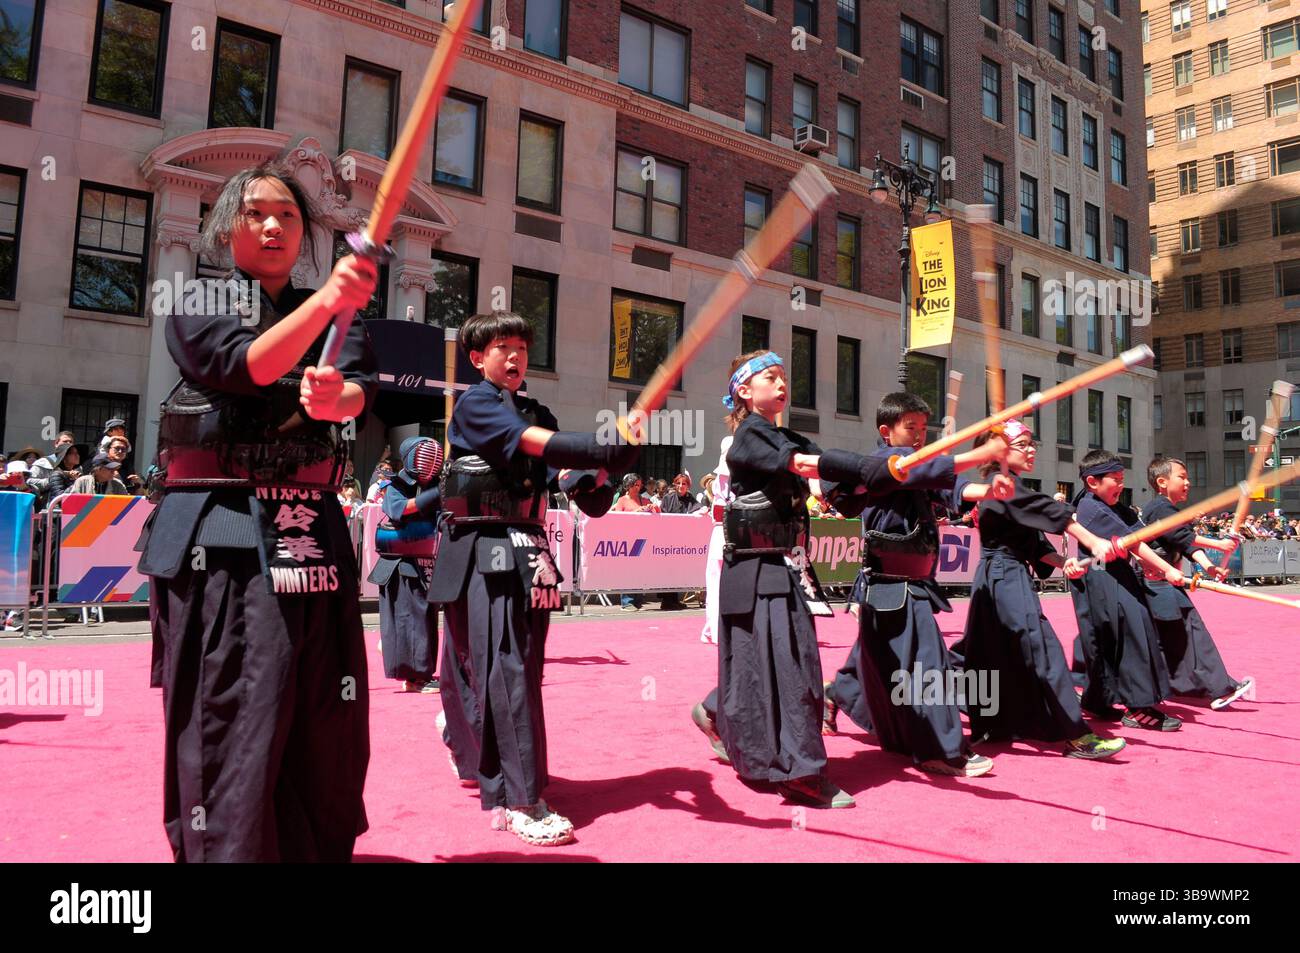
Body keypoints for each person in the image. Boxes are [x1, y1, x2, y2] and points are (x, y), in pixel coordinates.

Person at [135, 163, 379, 861]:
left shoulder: (337, 312)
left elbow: (360, 386)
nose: (273, 226)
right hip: (225, 530)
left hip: (312, 534)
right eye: (256, 213)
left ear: (305, 232)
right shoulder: (197, 298)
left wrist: (342, 399)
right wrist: (329, 301)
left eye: (289, 216)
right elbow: (250, 367)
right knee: (235, 705)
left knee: (323, 712)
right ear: (226, 227)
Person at [427, 310, 634, 847]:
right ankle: (520, 798)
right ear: (478, 358)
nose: (515, 356)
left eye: (522, 345)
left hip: (528, 552)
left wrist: (606, 466)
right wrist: (599, 444)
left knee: (515, 667)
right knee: (501, 666)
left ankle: (467, 735)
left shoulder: (537, 411)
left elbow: (577, 486)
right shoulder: (475, 405)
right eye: (503, 347)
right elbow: (531, 444)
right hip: (481, 550)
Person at [815, 392, 1014, 777]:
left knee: (883, 666)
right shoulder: (876, 466)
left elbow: (952, 489)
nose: (921, 435)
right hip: (887, 583)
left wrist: (990, 490)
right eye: (912, 428)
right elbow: (926, 472)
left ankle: (854, 705)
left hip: (915, 584)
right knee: (927, 667)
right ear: (886, 432)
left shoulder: (919, 469)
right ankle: (941, 748)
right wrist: (984, 451)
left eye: (925, 429)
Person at [960, 423, 1127, 759]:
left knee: (986, 653)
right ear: (999, 451)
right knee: (1041, 648)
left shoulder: (1010, 487)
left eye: (1031, 442)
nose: (1032, 449)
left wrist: (1064, 560)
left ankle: (993, 723)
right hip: (1003, 576)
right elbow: (1045, 509)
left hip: (999, 575)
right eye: (1022, 444)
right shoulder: (999, 485)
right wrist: (1091, 539)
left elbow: (1033, 544)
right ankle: (1074, 733)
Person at [1069, 450, 1186, 732]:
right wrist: (1167, 570)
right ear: (1092, 482)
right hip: (1100, 580)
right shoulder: (1090, 507)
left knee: (1111, 638)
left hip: (1118, 576)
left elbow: (1141, 535)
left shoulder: (1116, 506)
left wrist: (1159, 565)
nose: (1121, 485)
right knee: (1129, 632)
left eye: (1122, 479)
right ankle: (1137, 706)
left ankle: (1097, 699)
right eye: (1115, 479)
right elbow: (1134, 544)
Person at [1141, 457, 1254, 710]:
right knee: (1190, 629)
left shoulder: (1168, 510)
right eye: (1181, 476)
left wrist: (1210, 567)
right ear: (1162, 482)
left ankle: (1182, 686)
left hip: (1164, 584)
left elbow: (1186, 545)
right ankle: (1218, 688)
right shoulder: (1158, 508)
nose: (1188, 482)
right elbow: (1181, 536)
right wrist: (1218, 543)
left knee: (1170, 637)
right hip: (1155, 583)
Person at [368, 437, 444, 694]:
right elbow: (399, 509)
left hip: (426, 562)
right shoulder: (395, 485)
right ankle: (416, 676)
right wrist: (433, 496)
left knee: (424, 617)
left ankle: (416, 669)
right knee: (411, 619)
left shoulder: (437, 485)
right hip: (401, 563)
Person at [699, 442, 732, 645]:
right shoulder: (723, 481)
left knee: (717, 585)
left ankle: (713, 630)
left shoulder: (722, 481)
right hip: (725, 533)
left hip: (726, 534)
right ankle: (715, 630)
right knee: (717, 585)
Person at [614, 473, 657, 611]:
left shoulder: (643, 499)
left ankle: (638, 601)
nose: (638, 487)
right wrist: (636, 511)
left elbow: (656, 509)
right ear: (628, 485)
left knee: (639, 570)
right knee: (628, 570)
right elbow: (616, 518)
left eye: (639, 485)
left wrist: (652, 508)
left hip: (642, 539)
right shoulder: (622, 500)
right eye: (635, 485)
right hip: (627, 539)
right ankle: (627, 602)